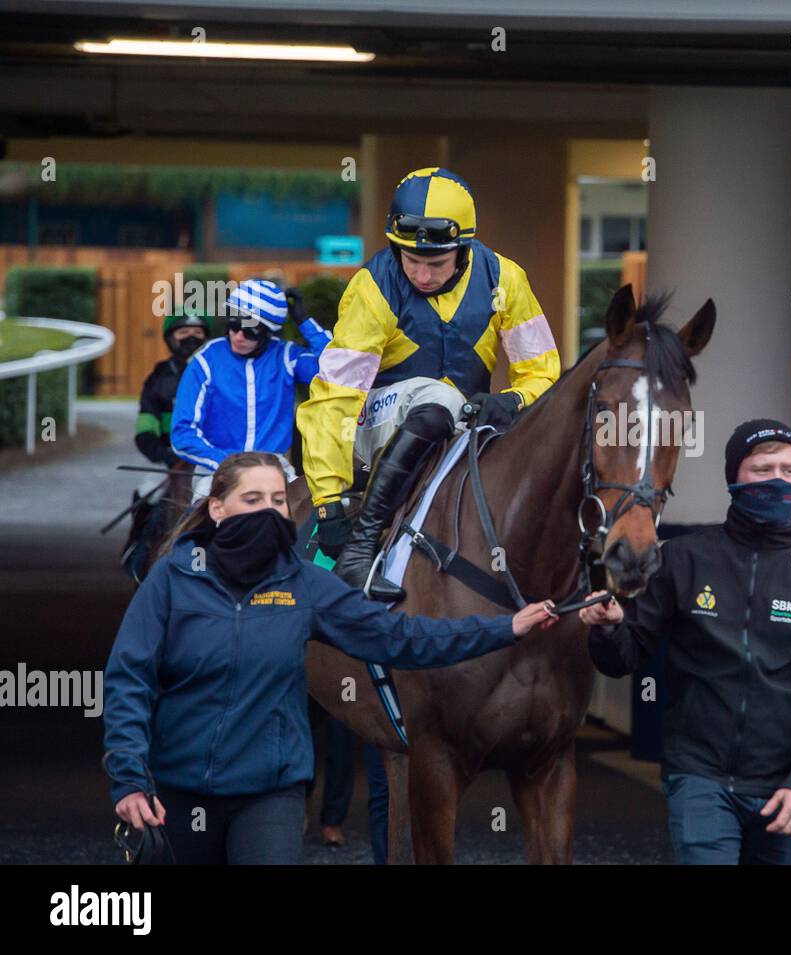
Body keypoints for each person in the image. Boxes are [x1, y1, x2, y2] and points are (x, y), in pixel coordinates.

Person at [103, 451, 558, 865]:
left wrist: (505, 628)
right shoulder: (173, 579)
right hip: (178, 791)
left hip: (270, 793)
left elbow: (399, 637)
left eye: (278, 500)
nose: (269, 510)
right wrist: (128, 779)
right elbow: (129, 679)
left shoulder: (305, 585)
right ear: (217, 509)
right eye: (253, 498)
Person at [579, 419, 791, 865]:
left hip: (783, 786)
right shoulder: (683, 558)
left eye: (789, 471)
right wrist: (610, 626)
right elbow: (623, 658)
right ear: (734, 477)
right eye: (763, 469)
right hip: (699, 777)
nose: (778, 481)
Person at [297, 167, 561, 602]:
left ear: (464, 247)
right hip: (369, 429)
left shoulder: (506, 279)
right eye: (410, 259)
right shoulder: (373, 284)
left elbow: (542, 373)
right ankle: (361, 548)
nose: (421, 275)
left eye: (435, 262)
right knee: (440, 399)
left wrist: (513, 400)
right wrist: (327, 502)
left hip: (460, 429)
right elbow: (335, 396)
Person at [171, 278, 332, 500]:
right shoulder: (205, 360)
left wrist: (304, 321)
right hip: (216, 470)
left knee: (320, 513)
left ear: (268, 333)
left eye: (250, 331)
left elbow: (338, 367)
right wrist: (228, 462)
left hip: (276, 470)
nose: (238, 336)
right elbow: (182, 432)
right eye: (233, 326)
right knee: (204, 512)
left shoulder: (286, 356)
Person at [121, 307, 211, 582]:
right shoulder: (158, 379)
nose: (191, 338)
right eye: (184, 332)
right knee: (147, 497)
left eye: (198, 333)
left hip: (215, 463)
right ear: (170, 339)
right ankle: (139, 558)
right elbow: (145, 433)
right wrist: (170, 456)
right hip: (175, 465)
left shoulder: (221, 372)